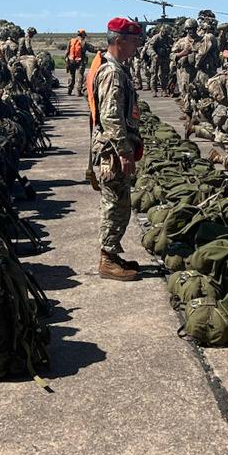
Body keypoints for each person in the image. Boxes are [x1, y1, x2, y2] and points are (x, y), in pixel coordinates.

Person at [89, 17, 145, 281]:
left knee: (120, 204)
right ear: (119, 41)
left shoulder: (117, 68)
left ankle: (111, 254)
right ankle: (107, 260)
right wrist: (124, 152)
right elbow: (111, 117)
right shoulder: (112, 73)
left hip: (115, 148)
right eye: (134, 41)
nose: (137, 47)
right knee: (115, 204)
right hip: (113, 151)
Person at [64, 30, 87, 96]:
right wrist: (102, 49)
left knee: (71, 76)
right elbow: (92, 49)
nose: (84, 37)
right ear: (82, 35)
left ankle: (69, 90)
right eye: (84, 35)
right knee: (80, 76)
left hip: (71, 61)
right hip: (80, 61)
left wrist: (66, 61)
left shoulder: (71, 41)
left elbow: (67, 52)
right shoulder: (83, 43)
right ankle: (78, 92)